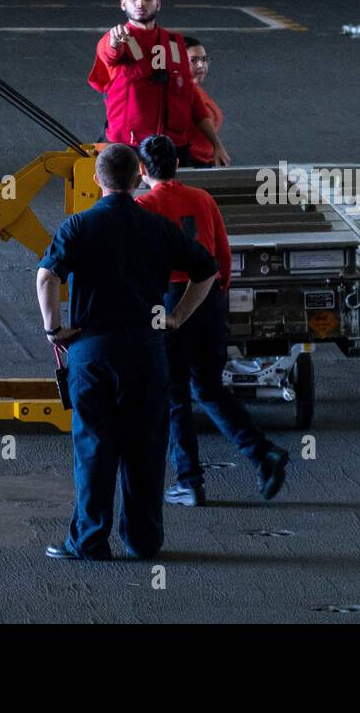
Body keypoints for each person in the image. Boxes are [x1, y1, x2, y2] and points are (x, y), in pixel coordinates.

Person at [36, 144, 218, 561]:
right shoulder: (157, 227)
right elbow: (206, 270)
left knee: (94, 448)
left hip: (93, 352)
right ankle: (143, 541)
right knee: (146, 449)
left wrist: (54, 329)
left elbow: (47, 277)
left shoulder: (79, 226)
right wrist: (175, 318)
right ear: (138, 177)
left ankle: (89, 540)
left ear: (97, 179)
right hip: (147, 351)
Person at [136, 135, 290, 506]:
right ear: (177, 164)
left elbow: (140, 264)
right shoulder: (202, 199)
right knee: (207, 387)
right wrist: (215, 297)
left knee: (173, 395)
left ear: (142, 170)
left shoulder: (143, 206)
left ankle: (189, 480)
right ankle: (262, 452)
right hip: (208, 300)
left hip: (171, 302)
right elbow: (222, 255)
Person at [88, 0, 231, 166]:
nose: (141, 2)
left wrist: (217, 145)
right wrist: (115, 43)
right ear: (123, 4)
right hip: (129, 149)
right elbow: (109, 55)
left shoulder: (174, 43)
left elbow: (193, 100)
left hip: (172, 149)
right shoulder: (116, 39)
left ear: (158, 4)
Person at [183, 37, 224, 167]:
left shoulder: (196, 89)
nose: (201, 66)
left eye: (204, 59)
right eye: (193, 60)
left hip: (205, 162)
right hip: (188, 164)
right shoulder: (178, 94)